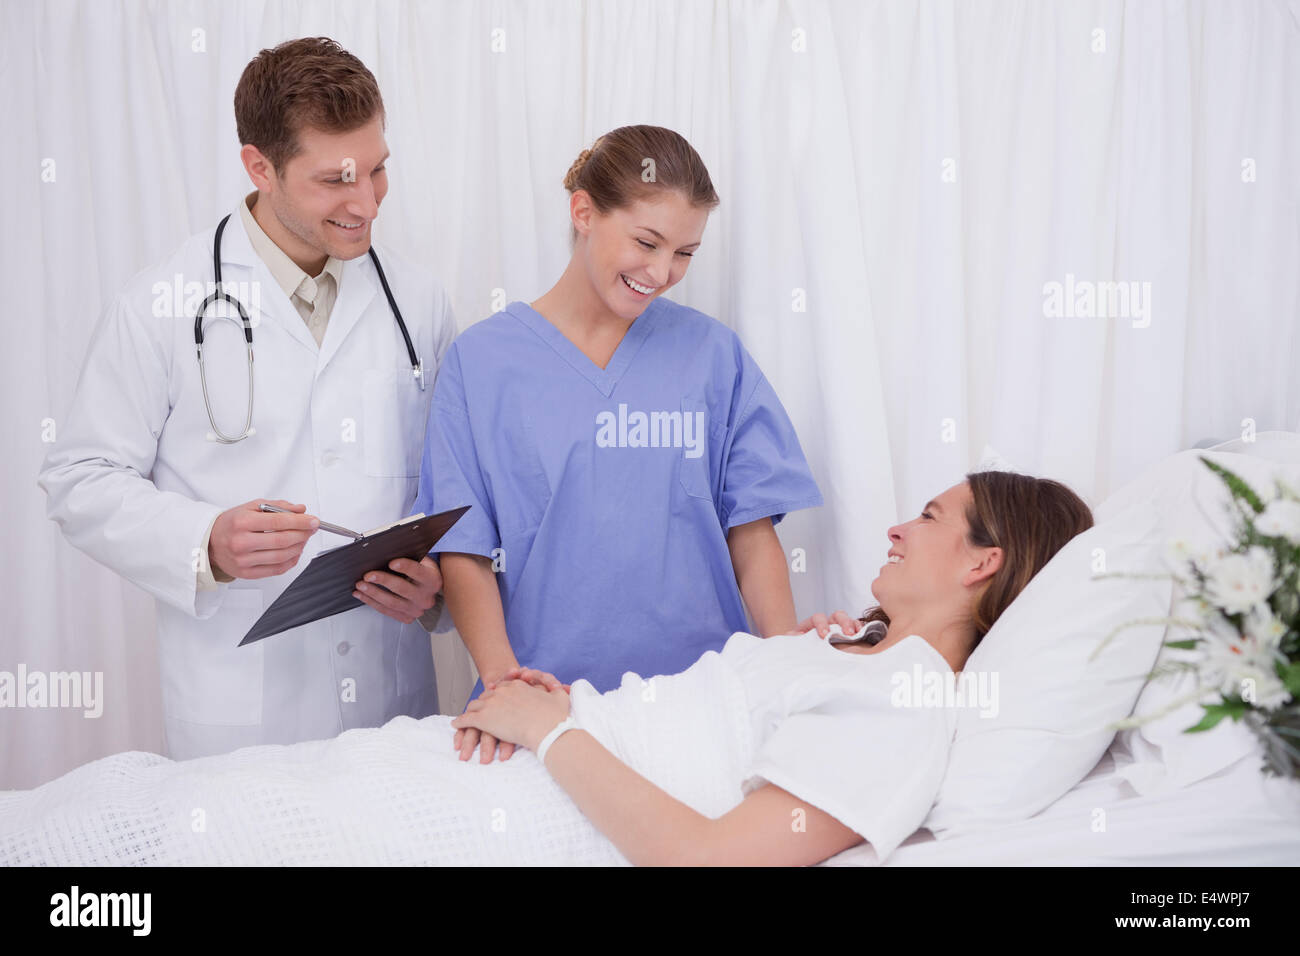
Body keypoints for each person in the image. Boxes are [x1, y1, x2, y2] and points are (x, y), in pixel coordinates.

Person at [0, 471, 1094, 866]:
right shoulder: (856, 654)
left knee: (178, 838)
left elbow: (709, 861)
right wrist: (554, 711)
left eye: (932, 515)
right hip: (513, 760)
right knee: (167, 803)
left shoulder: (907, 696)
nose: (901, 524)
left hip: (530, 811)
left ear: (983, 560)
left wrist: (552, 731)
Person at [37, 38, 455, 760]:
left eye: (379, 170)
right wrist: (206, 542)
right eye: (335, 180)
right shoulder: (160, 305)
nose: (366, 202)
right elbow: (79, 478)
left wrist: (438, 589)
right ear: (260, 167)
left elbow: (455, 480)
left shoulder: (416, 301)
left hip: (395, 709)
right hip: (244, 716)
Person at [418, 125, 824, 763]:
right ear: (583, 212)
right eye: (646, 241)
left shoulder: (712, 355)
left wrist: (784, 674)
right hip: (549, 706)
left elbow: (751, 530)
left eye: (685, 253)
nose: (663, 273)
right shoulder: (482, 363)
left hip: (709, 703)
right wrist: (504, 683)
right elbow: (462, 548)